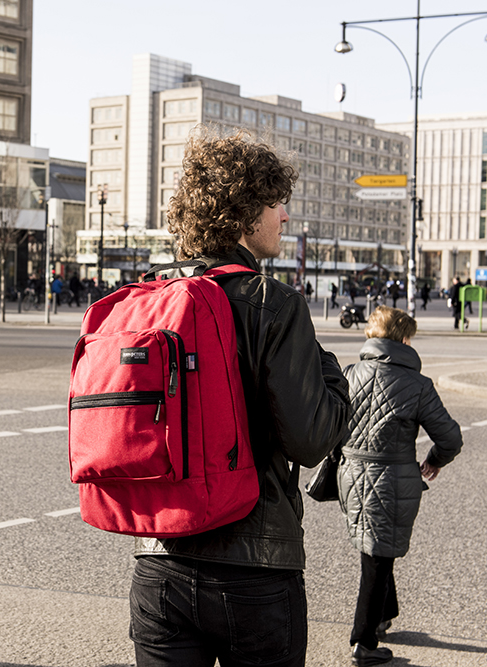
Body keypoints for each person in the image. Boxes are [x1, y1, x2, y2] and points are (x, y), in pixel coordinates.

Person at [129, 127, 350, 667]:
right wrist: (332, 375)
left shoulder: (150, 297)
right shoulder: (273, 304)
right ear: (248, 213)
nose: (285, 217)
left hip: (157, 564)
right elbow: (311, 439)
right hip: (253, 571)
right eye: (278, 204)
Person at [336, 306, 463, 666]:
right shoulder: (417, 385)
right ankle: (364, 641)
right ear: (405, 339)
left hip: (350, 473)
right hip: (391, 478)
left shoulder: (350, 373)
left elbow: (332, 423)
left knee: (374, 545)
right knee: (377, 557)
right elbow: (450, 438)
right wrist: (435, 459)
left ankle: (384, 612)